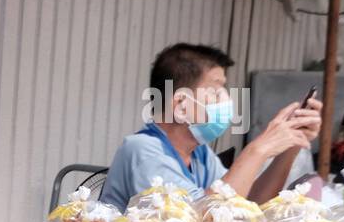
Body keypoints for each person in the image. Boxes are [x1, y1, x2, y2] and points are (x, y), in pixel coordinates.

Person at [101, 43, 323, 210]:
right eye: (215, 92)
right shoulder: (143, 151)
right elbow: (204, 221)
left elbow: (246, 203)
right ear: (181, 105)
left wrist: (291, 145)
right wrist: (257, 150)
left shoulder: (199, 155)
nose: (226, 100)